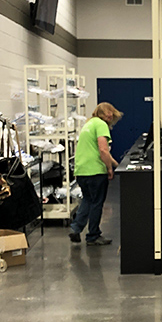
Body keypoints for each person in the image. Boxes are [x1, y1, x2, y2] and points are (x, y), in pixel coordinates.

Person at [69, 102, 123, 246]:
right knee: (97, 203)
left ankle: (76, 228)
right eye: (109, 113)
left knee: (88, 199)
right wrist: (109, 169)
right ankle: (93, 236)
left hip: (82, 170)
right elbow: (103, 150)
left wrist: (117, 164)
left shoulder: (89, 124)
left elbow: (99, 150)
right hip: (95, 171)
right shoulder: (101, 125)